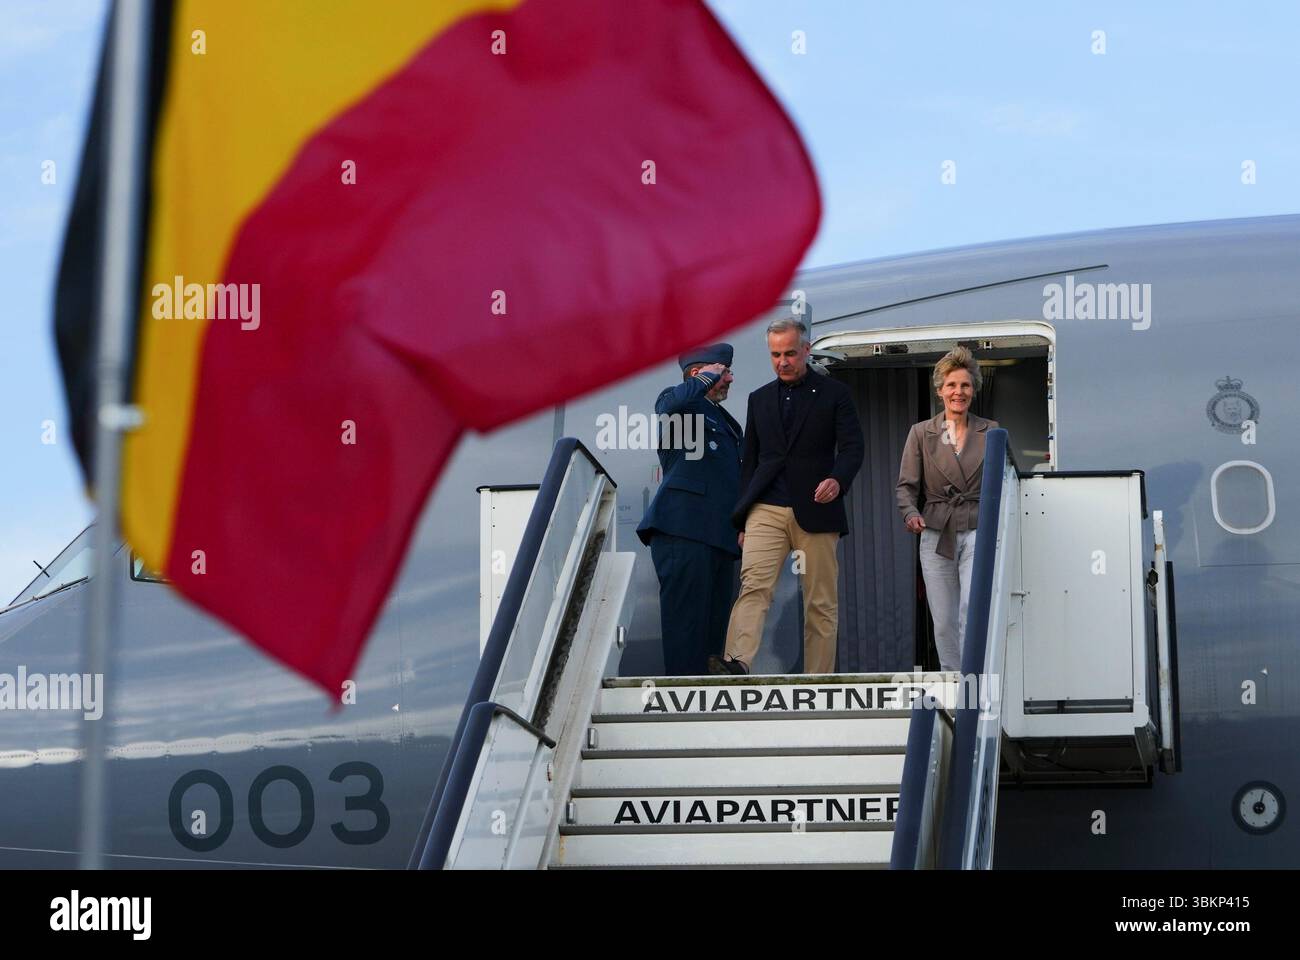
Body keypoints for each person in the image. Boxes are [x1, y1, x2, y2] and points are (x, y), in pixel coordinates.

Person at [710, 318, 864, 675]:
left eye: (790, 353)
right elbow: (751, 461)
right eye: (776, 354)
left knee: (820, 602)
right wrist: (744, 516)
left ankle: (819, 679)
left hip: (818, 508)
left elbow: (854, 448)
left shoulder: (835, 394)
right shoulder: (759, 399)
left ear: (806, 351)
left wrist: (838, 481)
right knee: (753, 587)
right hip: (765, 509)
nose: (783, 361)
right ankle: (737, 663)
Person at [637, 344, 742, 675]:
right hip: (683, 530)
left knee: (714, 637)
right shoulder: (679, 404)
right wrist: (705, 379)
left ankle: (706, 705)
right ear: (701, 373)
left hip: (721, 537)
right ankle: (681, 700)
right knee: (685, 627)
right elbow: (669, 404)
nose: (730, 378)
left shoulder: (726, 422)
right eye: (724, 372)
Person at [896, 345, 999, 672]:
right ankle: (955, 683)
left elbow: (1004, 483)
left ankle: (976, 681)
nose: (959, 392)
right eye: (952, 385)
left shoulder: (992, 431)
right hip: (936, 534)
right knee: (943, 620)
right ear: (940, 390)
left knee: (971, 610)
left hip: (978, 529)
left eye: (965, 385)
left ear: (974, 389)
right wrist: (911, 513)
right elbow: (906, 486)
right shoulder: (921, 433)